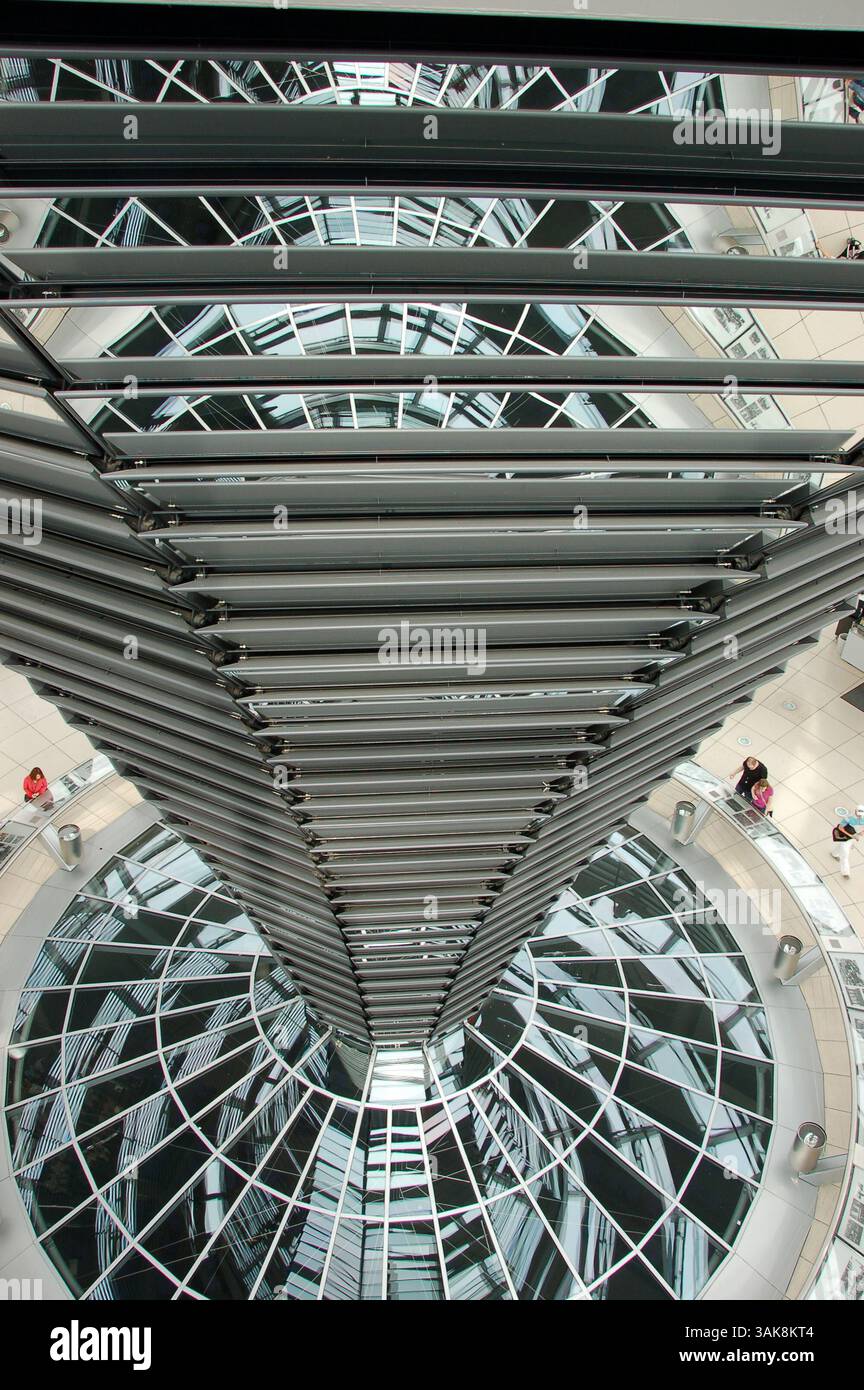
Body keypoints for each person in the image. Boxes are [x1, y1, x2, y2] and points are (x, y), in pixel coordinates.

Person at [831, 805, 864, 878]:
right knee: (845, 854)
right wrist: (851, 836)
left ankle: (834, 854)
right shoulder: (848, 818)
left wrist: (861, 833)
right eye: (858, 814)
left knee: (842, 848)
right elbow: (840, 828)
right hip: (844, 836)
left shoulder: (863, 818)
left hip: (853, 837)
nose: (859, 816)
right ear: (855, 811)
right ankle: (845, 872)